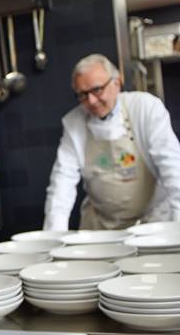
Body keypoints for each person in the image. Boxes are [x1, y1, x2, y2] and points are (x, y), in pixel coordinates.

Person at [43, 53, 180, 231]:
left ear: (117, 82)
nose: (91, 101)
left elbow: (173, 167)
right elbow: (61, 184)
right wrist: (53, 240)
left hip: (152, 223)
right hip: (100, 227)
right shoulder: (73, 122)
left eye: (97, 90)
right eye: (83, 95)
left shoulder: (145, 107)